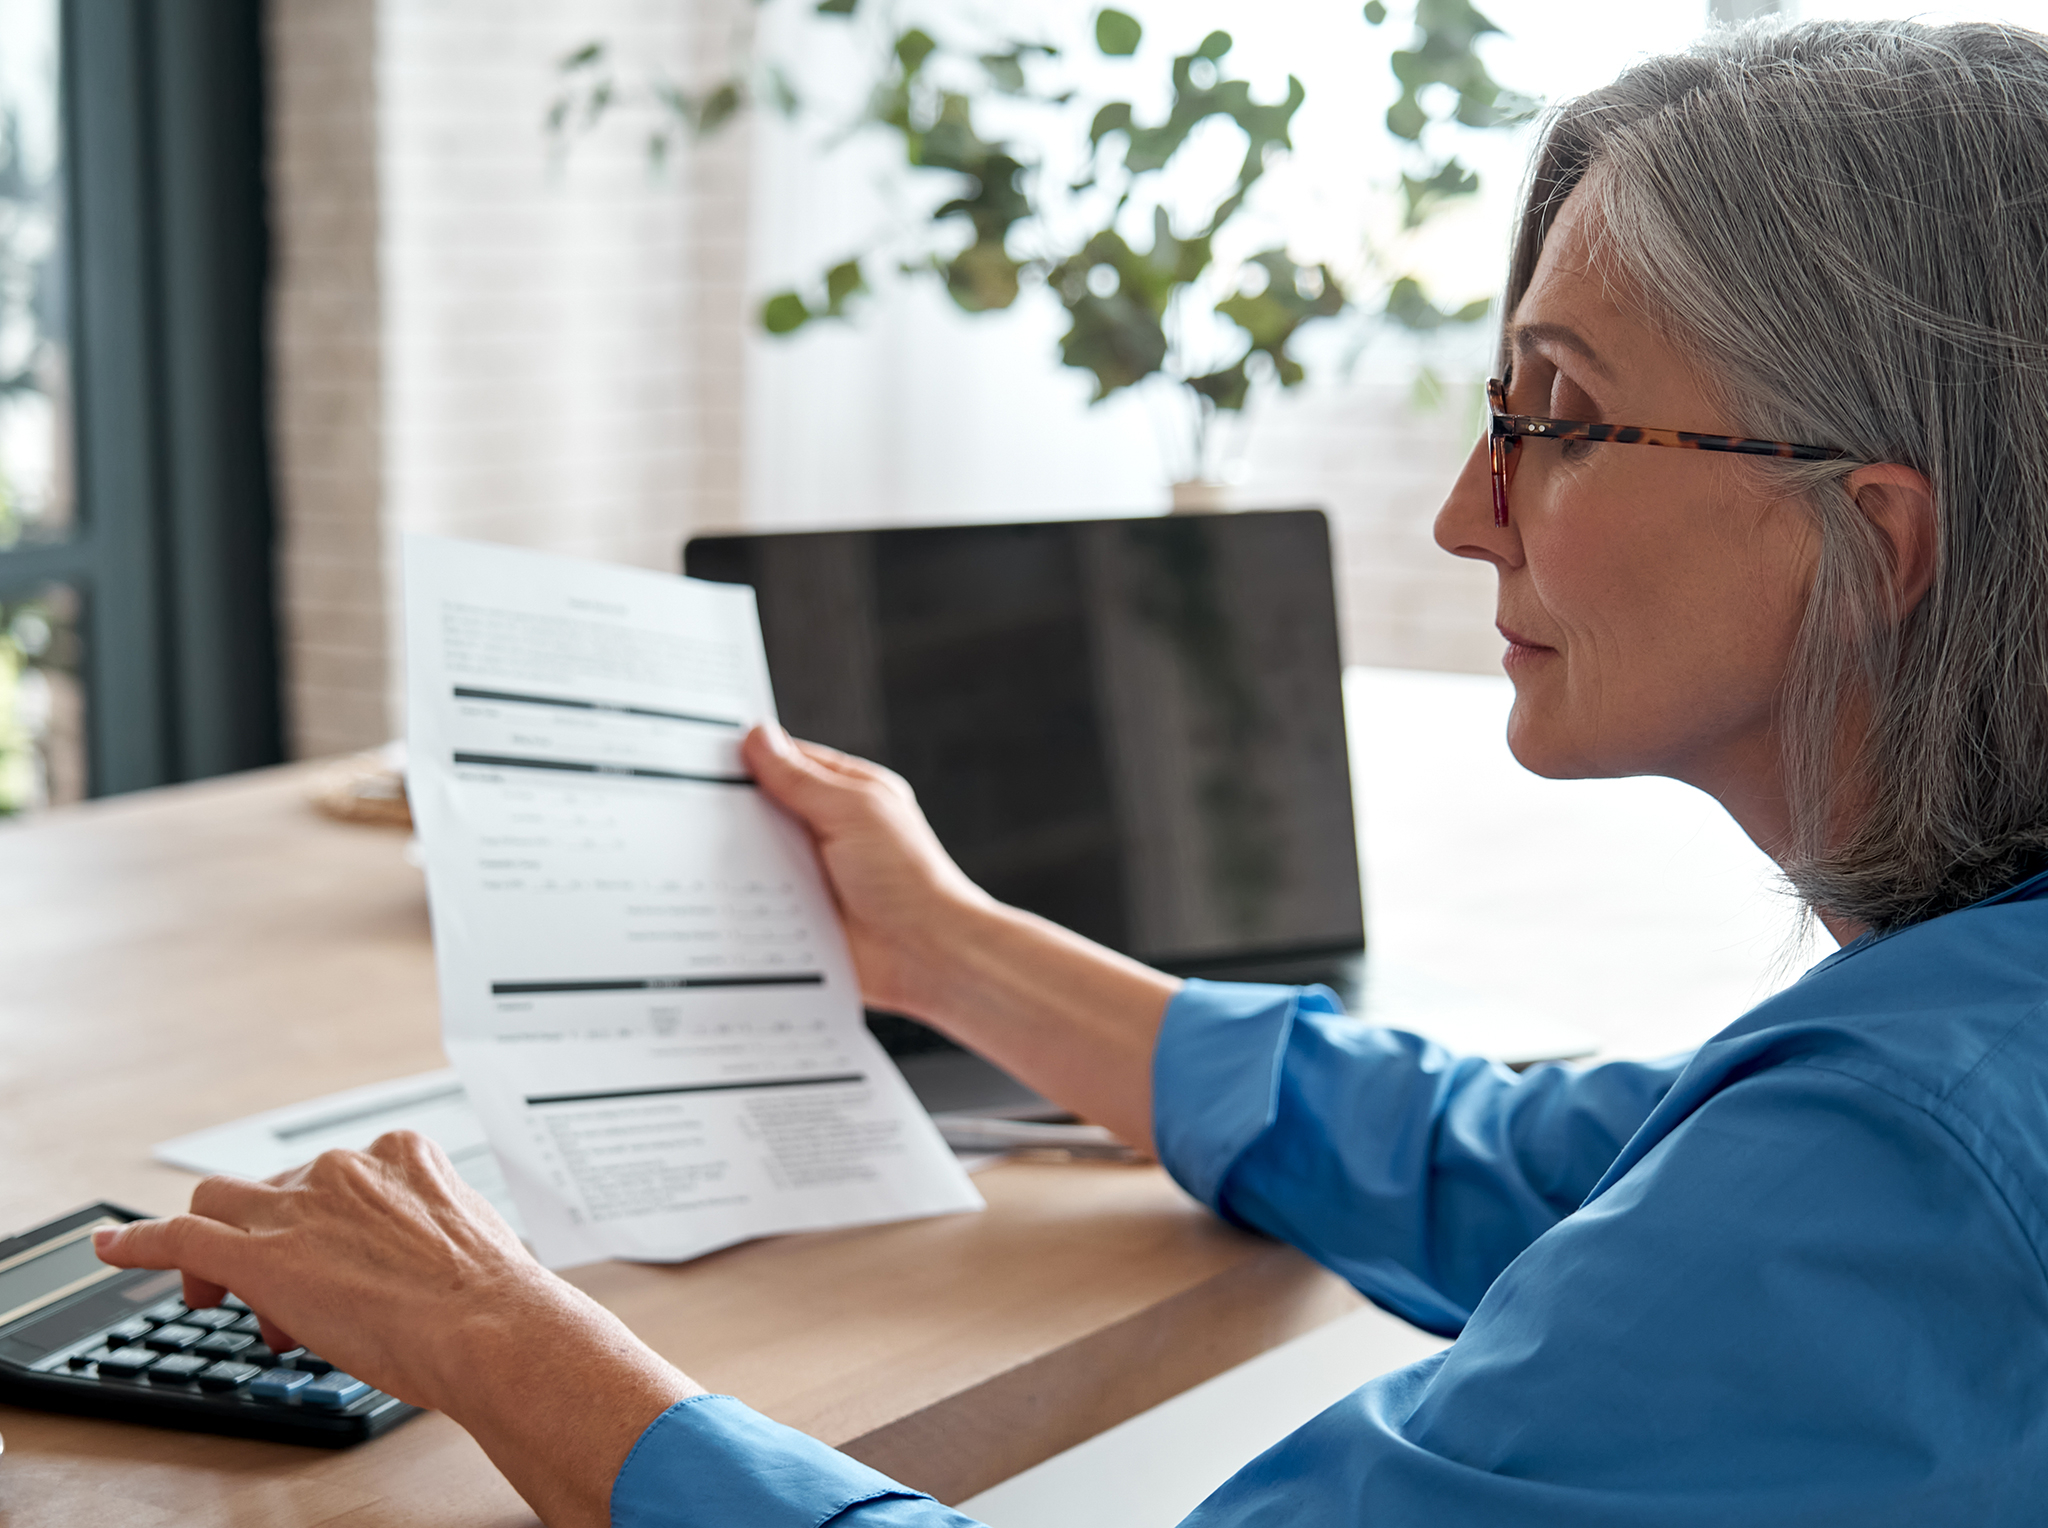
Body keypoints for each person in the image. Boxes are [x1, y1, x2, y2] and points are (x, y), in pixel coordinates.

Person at [93, 16, 2048, 1527]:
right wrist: (950, 948)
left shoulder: (1905, 1170)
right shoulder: (1937, 1068)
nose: (1469, 512)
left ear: (1871, 540)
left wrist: (509, 1344)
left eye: (1564, 419)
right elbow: (1523, 1166)